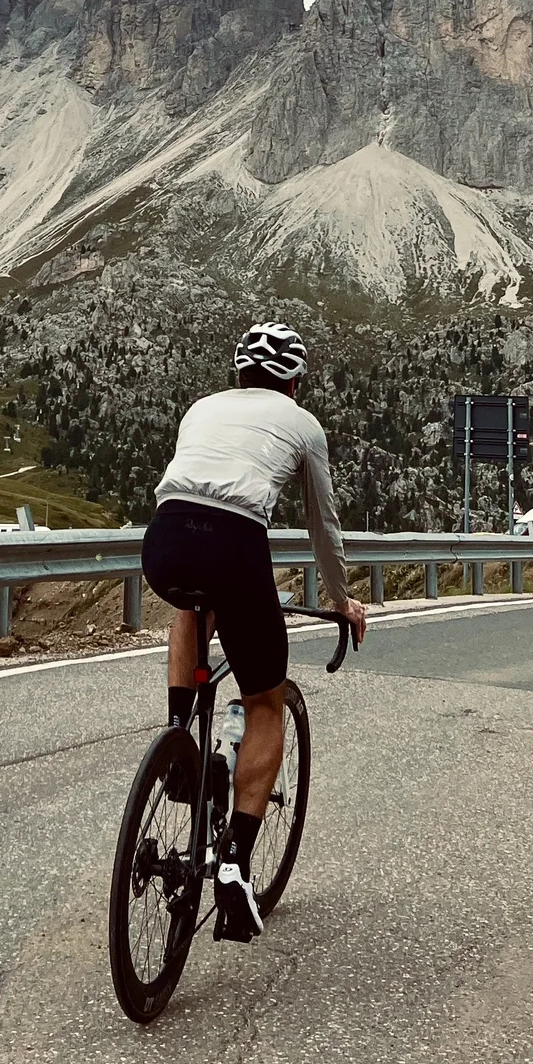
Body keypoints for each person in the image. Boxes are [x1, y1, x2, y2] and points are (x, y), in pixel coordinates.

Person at [141, 321, 367, 942]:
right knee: (267, 700)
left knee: (190, 609)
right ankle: (236, 862)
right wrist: (342, 600)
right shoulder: (302, 424)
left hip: (164, 542)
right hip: (235, 547)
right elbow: (324, 526)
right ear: (292, 381)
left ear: (237, 373)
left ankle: (180, 744)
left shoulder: (201, 408)